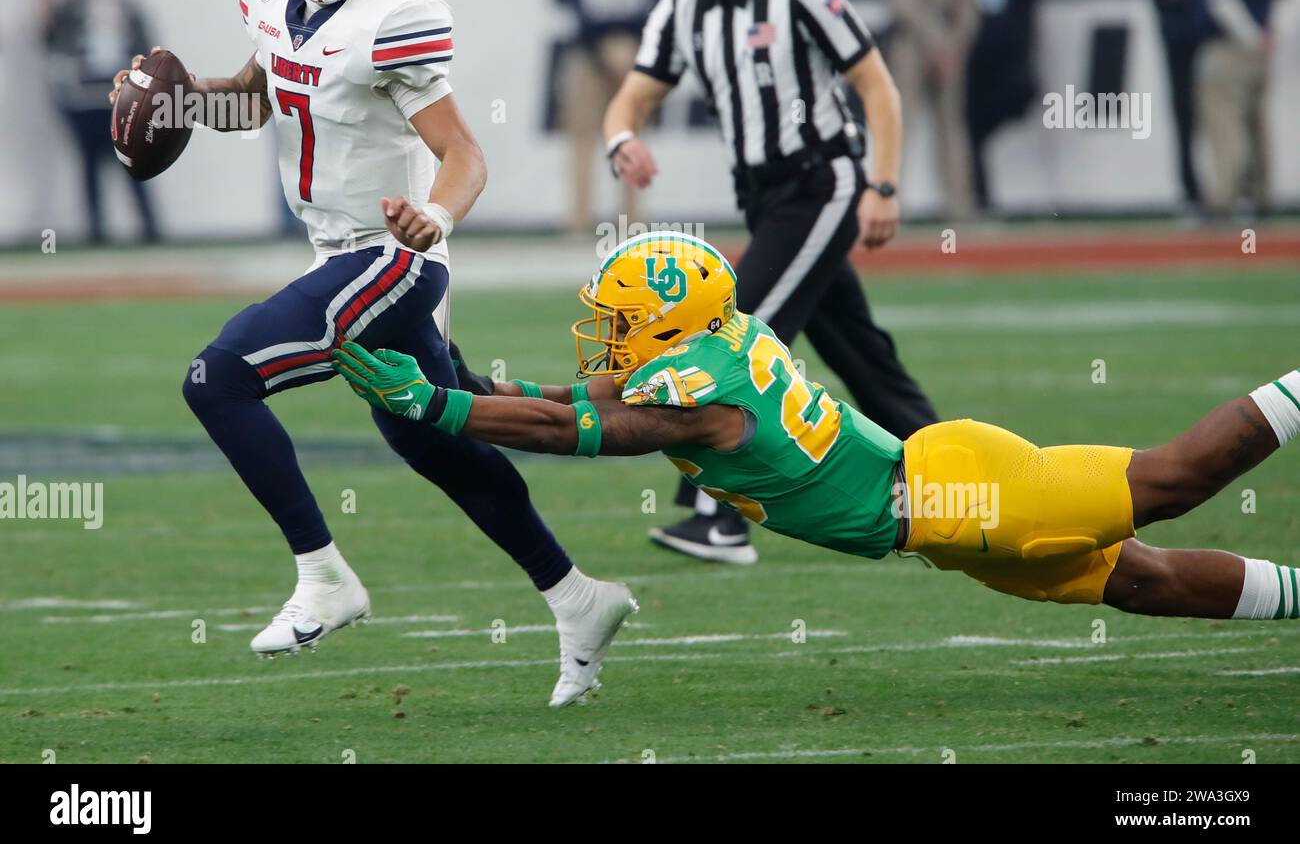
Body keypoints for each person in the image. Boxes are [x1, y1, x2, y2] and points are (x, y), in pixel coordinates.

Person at [106, 0, 634, 708]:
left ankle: (325, 576)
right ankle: (579, 598)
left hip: (393, 256)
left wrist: (436, 214)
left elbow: (463, 152)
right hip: (336, 253)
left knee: (218, 379)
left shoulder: (397, 17)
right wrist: (183, 101)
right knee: (434, 437)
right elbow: (255, 97)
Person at [334, 231, 1300, 633]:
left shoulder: (696, 393)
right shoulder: (714, 341)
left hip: (958, 499)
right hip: (932, 515)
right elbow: (576, 395)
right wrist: (481, 383)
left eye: (623, 319)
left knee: (1172, 478)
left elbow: (573, 428)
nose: (611, 335)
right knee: (1143, 580)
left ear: (667, 324)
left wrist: (442, 407)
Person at [602, 0, 936, 565]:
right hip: (763, 199)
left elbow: (878, 88)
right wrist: (622, 139)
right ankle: (951, 478)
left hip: (823, 183)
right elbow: (633, 95)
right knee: (861, 354)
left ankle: (718, 519)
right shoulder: (683, 5)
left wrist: (882, 184)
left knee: (731, 336)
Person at [45, 0, 159, 244]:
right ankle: (96, 232)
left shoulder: (127, 2)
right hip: (85, 97)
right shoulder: (74, 3)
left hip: (121, 97)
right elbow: (51, 38)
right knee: (90, 166)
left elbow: (146, 47)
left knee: (134, 162)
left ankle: (150, 231)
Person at [883, 0, 980, 220]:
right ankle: (960, 207)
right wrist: (951, 46)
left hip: (912, 48)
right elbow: (967, 9)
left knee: (900, 131)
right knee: (951, 130)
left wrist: (934, 43)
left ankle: (888, 206)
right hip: (949, 51)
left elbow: (905, 6)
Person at [1193, 0, 1286, 215]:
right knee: (1257, 122)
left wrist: (1249, 36)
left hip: (1231, 47)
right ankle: (1263, 196)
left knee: (1224, 122)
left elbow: (1221, 1)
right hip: (1263, 46)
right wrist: (1269, 33)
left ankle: (1224, 198)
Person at [953, 0, 1036, 212]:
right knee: (967, 122)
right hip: (969, 48)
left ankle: (980, 184)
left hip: (1002, 47)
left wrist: (1021, 36)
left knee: (1018, 96)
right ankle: (979, 195)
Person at [558, 0, 648, 234]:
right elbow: (585, 28)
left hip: (626, 65)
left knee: (629, 142)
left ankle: (632, 219)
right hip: (590, 65)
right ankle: (579, 220)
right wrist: (608, 63)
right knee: (582, 143)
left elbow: (643, 26)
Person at [1149, 0, 1204, 209]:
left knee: (1218, 121)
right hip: (1180, 56)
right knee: (1185, 123)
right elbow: (1166, 14)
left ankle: (1230, 188)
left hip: (1208, 53)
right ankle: (1191, 193)